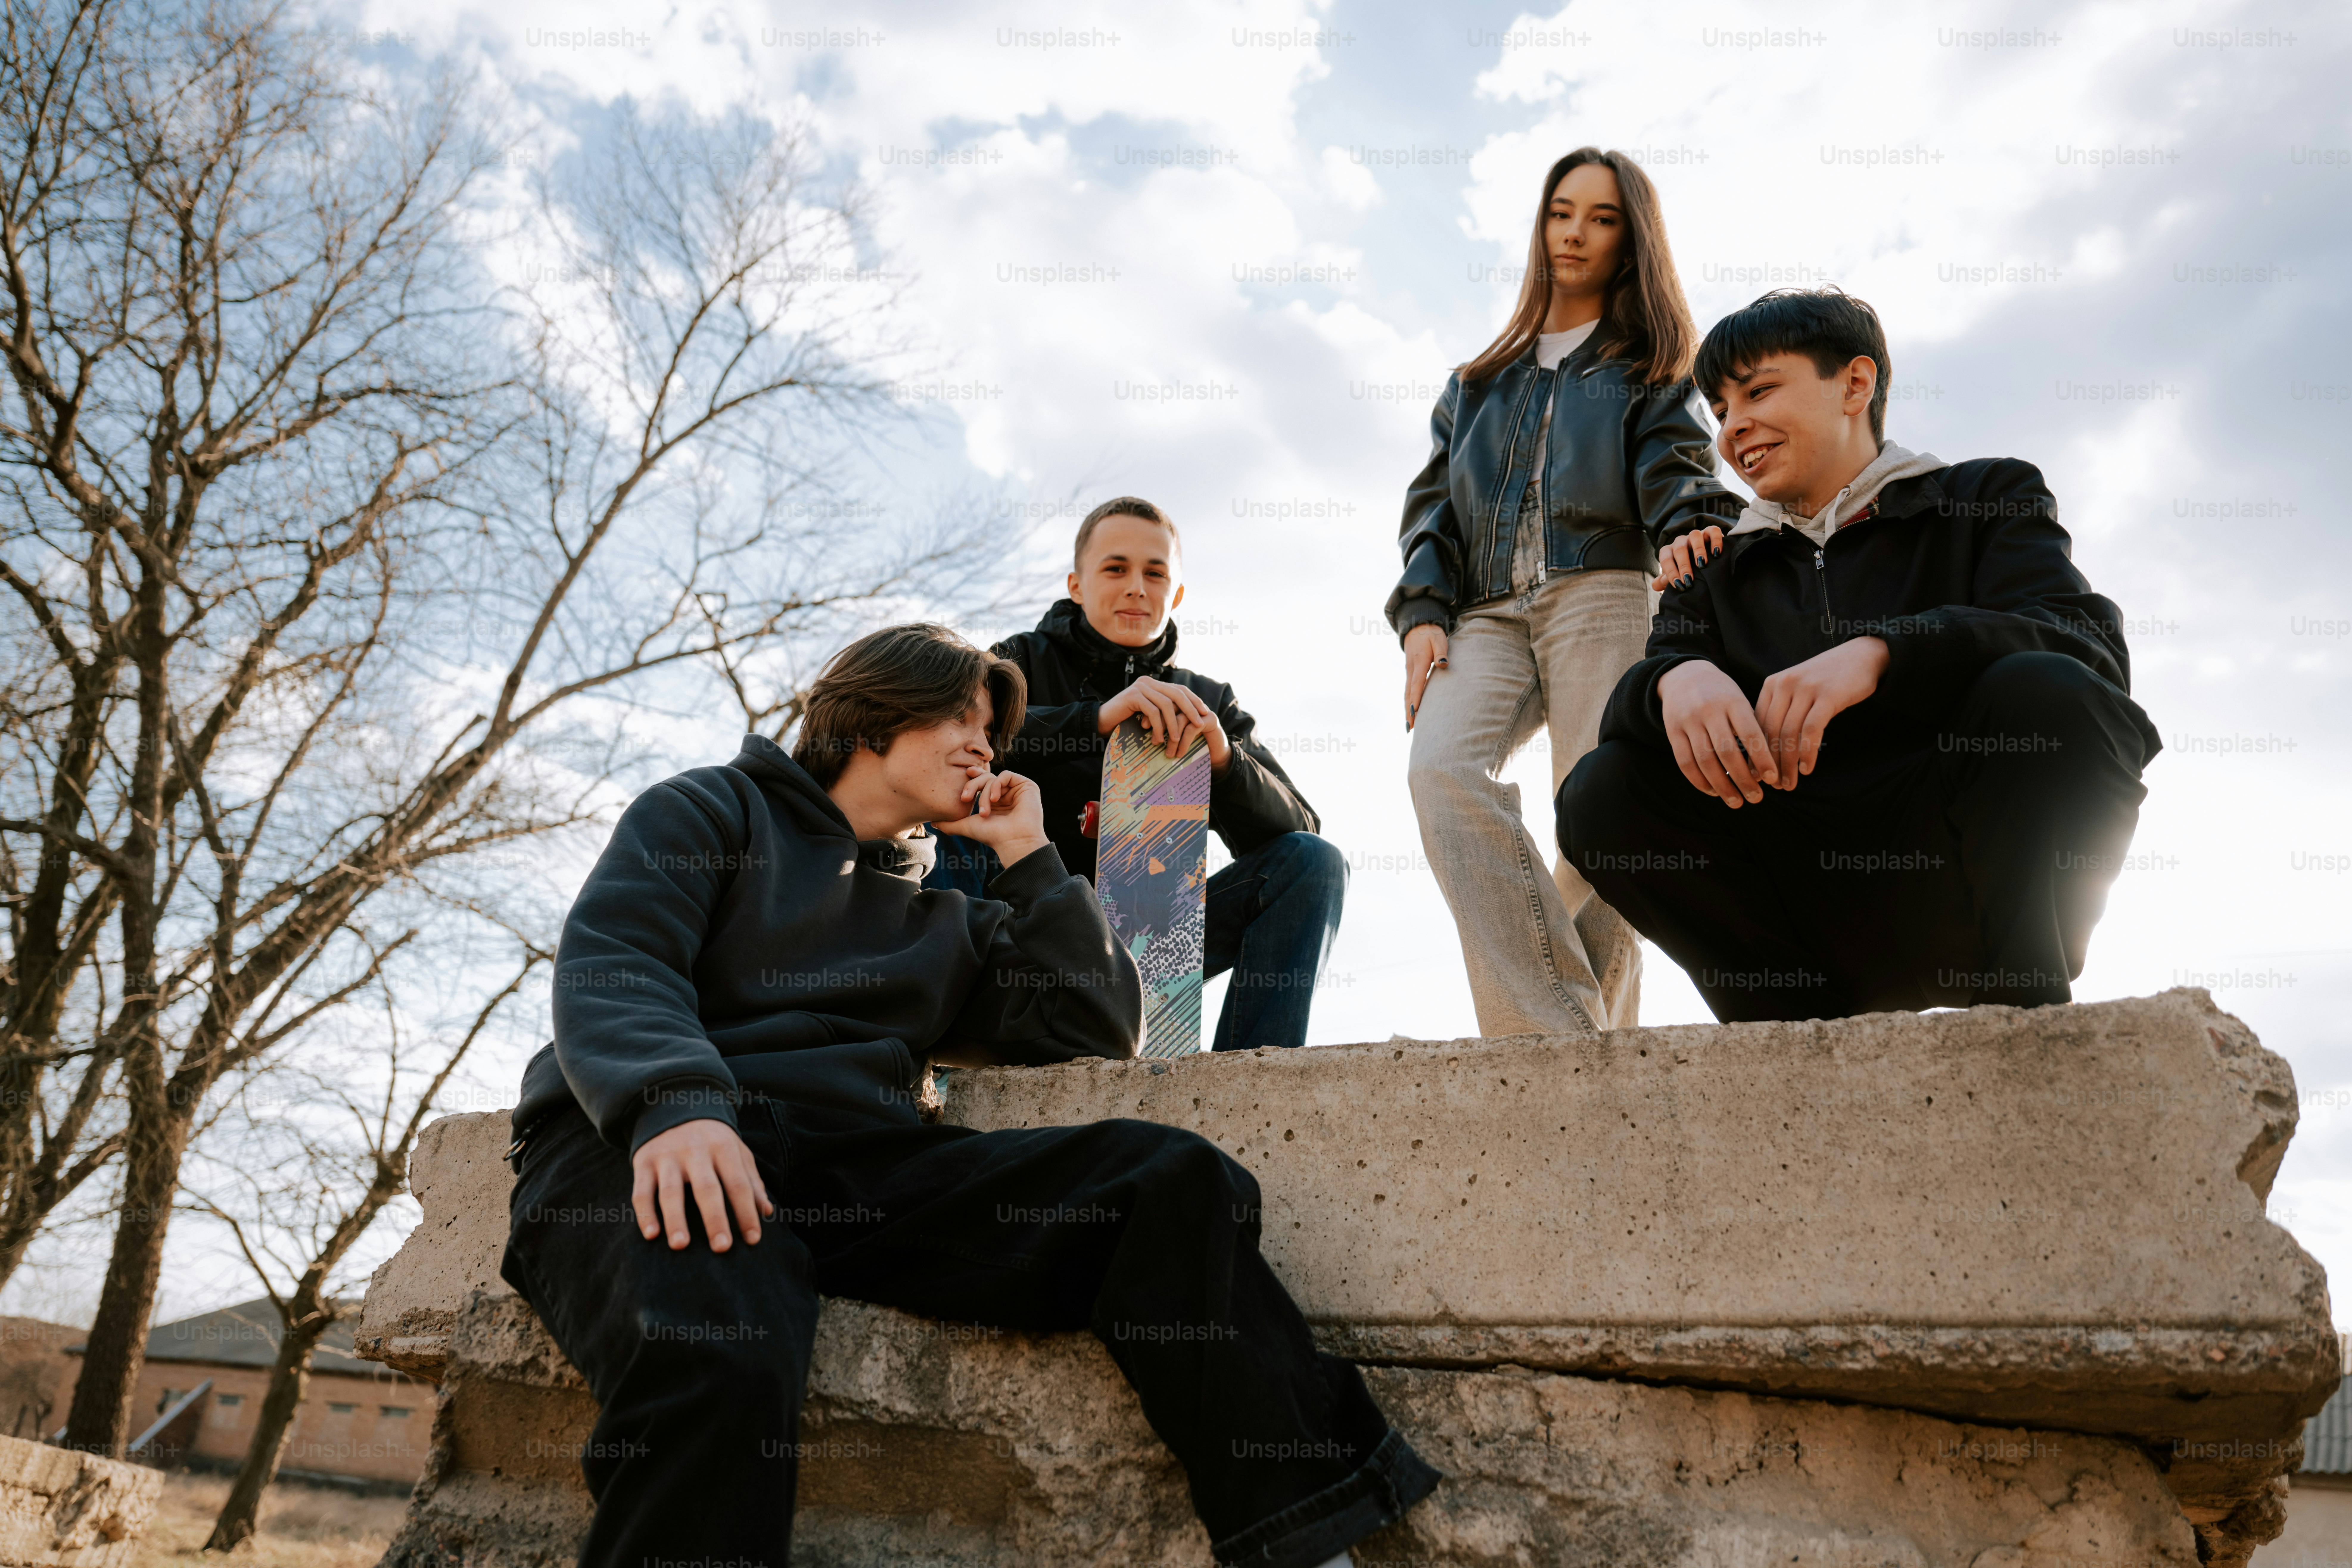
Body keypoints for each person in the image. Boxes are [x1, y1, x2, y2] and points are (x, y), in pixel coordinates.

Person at [499, 624, 1438, 1568]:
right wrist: (676, 1104)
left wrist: (1031, 856)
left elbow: (1098, 1025)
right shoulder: (711, 809)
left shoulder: (951, 917)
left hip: (856, 1166)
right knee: (721, 1354)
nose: (984, 745)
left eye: (991, 731)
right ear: (872, 716)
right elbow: (618, 965)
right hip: (641, 1140)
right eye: (959, 717)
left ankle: (1307, 1540)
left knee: (1167, 1179)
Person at [1556, 288, 2161, 1022]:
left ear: (1855, 383)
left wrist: (1883, 652)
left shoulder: (1985, 496)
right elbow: (1636, 718)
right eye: (1719, 409)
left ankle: (2026, 1014)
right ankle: (1783, 1032)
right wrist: (1672, 679)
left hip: (1963, 889)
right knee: (1602, 789)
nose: (1734, 427)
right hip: (1804, 919)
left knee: (2047, 689)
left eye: (1758, 390)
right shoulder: (1713, 568)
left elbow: (2085, 644)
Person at [1387, 146, 1742, 1039]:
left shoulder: (1647, 364)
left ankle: (1574, 1062)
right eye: (1561, 211)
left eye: (1602, 217)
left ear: (1632, 243)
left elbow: (1676, 461)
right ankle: (1569, 1041)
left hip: (1605, 590)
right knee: (1440, 772)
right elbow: (1431, 511)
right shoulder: (1474, 385)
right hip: (1486, 613)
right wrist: (1423, 617)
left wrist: (1692, 519)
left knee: (1601, 818)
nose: (1575, 233)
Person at [927, 497, 1346, 1052]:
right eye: (1116, 568)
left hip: (1150, 946)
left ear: (1175, 595)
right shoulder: (1014, 664)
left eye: (1155, 573)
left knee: (1314, 862)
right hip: (1023, 932)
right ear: (1077, 585)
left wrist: (1223, 762)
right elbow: (949, 744)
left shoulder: (1208, 700)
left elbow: (1299, 831)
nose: (1136, 588)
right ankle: (938, 1041)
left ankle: (1253, 1076)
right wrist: (1094, 721)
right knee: (949, 814)